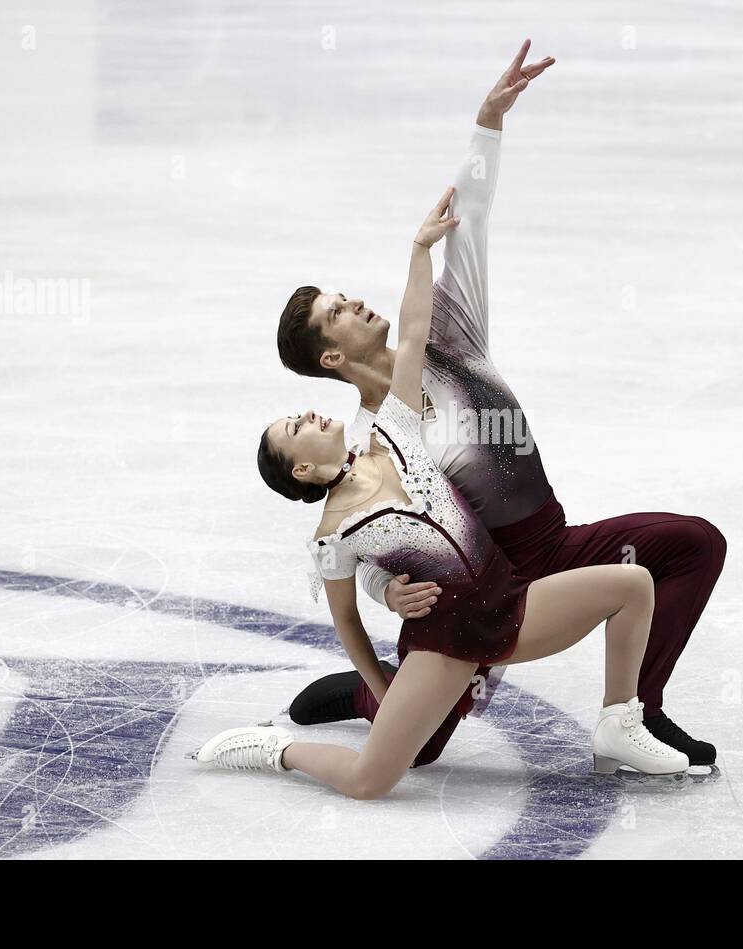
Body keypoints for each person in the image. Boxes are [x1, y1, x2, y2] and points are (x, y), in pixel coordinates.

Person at [276, 40, 726, 768]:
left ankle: (637, 714)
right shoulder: (370, 438)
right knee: (417, 751)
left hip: (555, 543)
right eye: (338, 311)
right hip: (479, 583)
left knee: (692, 544)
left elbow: (470, 222)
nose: (355, 300)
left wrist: (489, 121)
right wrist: (388, 592)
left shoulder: (453, 332)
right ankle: (371, 696)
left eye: (344, 294)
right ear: (331, 357)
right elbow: (365, 535)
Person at [191, 190, 689, 798]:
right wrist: (382, 669)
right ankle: (279, 749)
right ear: (300, 471)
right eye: (296, 427)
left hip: (505, 600)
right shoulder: (331, 534)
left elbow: (418, 325)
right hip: (445, 633)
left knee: (633, 583)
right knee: (384, 775)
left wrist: (421, 247)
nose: (309, 417)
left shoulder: (391, 434)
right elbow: (347, 617)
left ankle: (621, 722)